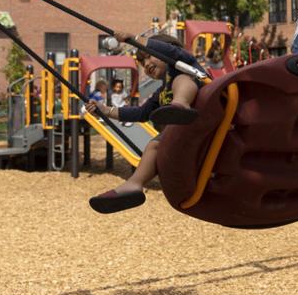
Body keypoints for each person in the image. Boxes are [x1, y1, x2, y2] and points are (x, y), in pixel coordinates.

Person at [84, 33, 206, 203]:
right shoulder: (162, 92)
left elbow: (171, 53)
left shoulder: (186, 65)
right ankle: (134, 184)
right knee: (153, 145)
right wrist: (104, 110)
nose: (146, 64)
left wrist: (134, 39)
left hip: (206, 120)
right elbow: (141, 113)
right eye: (142, 62)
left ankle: (180, 105)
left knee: (182, 78)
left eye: (149, 56)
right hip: (183, 133)